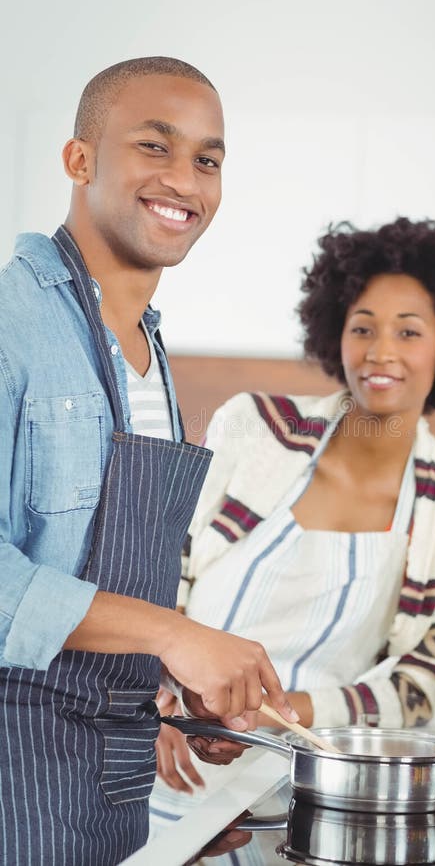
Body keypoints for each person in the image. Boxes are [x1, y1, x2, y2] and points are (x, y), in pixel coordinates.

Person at [0, 56, 298, 866]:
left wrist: (170, 687)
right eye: (154, 146)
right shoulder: (10, 325)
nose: (185, 180)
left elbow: (99, 575)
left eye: (207, 159)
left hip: (105, 790)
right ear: (79, 159)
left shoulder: (149, 354)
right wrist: (173, 632)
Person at [151, 215, 435, 813]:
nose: (380, 352)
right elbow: (162, 562)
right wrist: (163, 694)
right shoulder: (258, 429)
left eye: (409, 333)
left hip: (307, 791)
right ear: (334, 333)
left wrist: (270, 715)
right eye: (362, 327)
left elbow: (418, 686)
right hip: (165, 754)